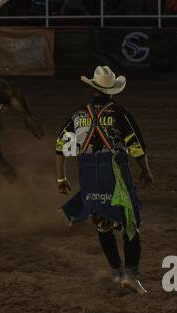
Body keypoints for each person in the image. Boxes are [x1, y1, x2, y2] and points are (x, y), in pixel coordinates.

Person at [56, 65, 154, 293]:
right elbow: (136, 145)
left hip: (88, 173)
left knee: (102, 224)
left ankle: (116, 273)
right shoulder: (119, 113)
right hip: (114, 173)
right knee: (130, 223)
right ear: (111, 91)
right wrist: (146, 170)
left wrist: (61, 178)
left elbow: (61, 146)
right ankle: (130, 275)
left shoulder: (78, 115)